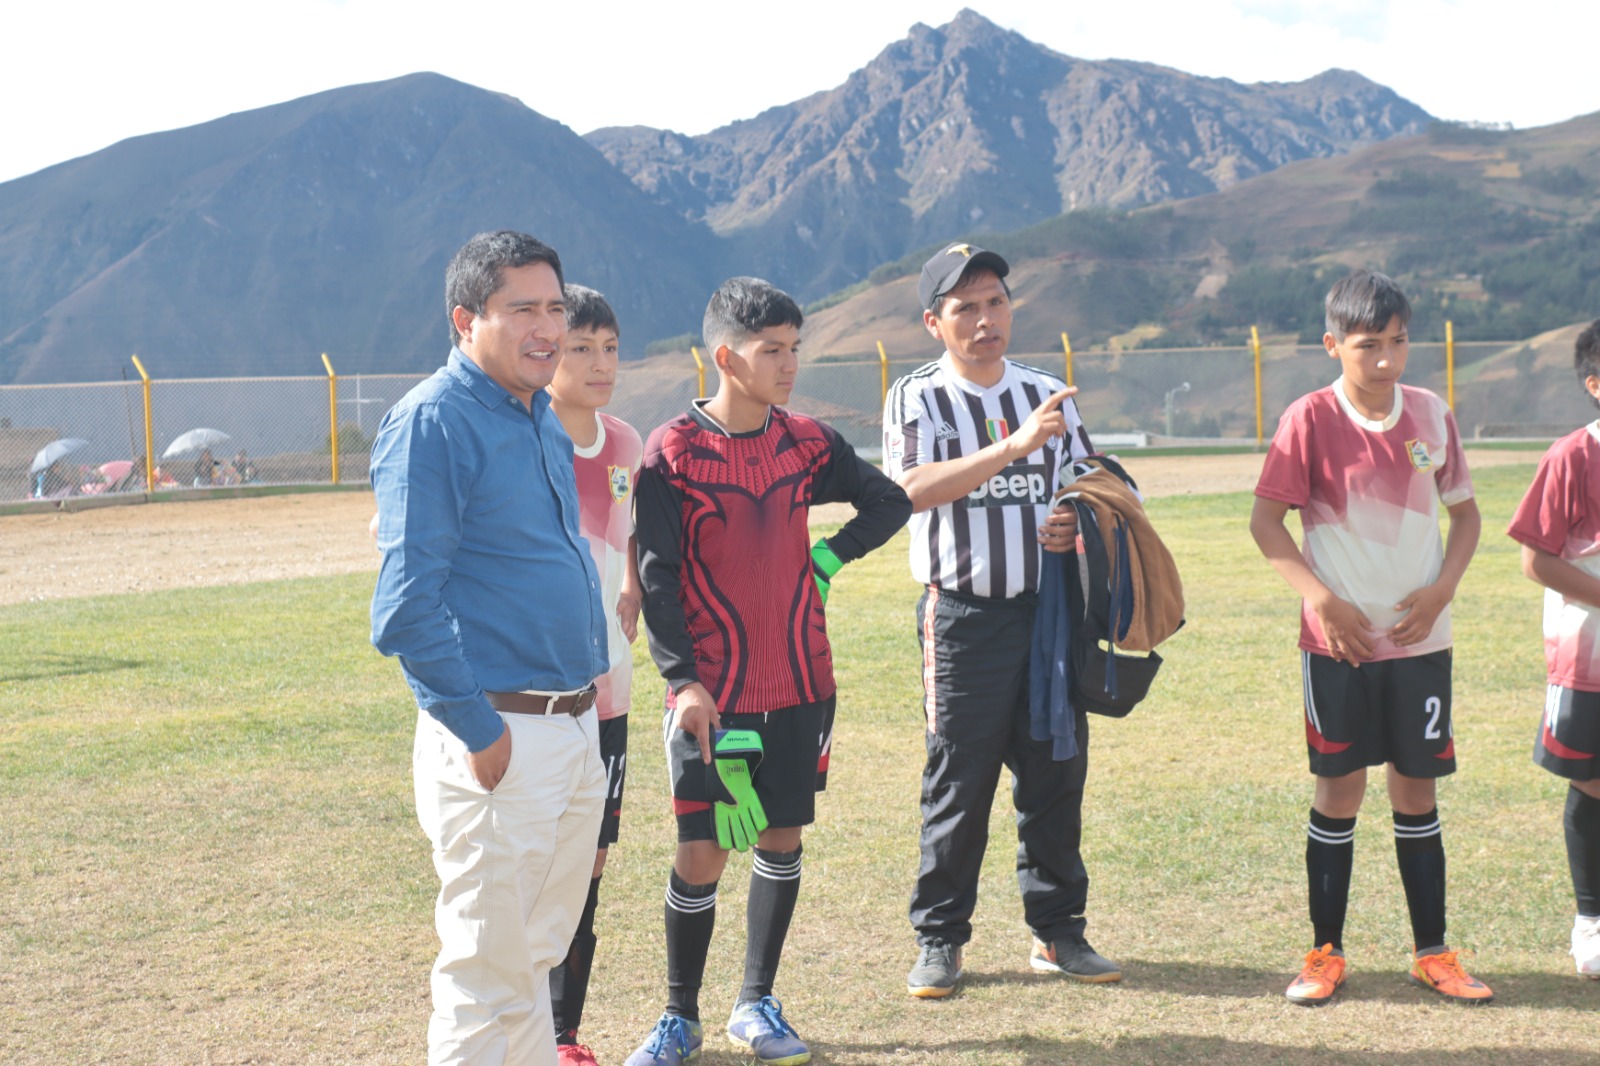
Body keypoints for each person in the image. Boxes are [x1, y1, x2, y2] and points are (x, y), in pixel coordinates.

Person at [626, 277, 910, 1066]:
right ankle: (678, 1017)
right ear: (726, 357)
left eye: (794, 349)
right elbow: (656, 575)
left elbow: (888, 502)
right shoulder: (672, 453)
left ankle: (756, 1003)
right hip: (714, 693)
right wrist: (683, 682)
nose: (788, 364)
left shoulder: (807, 443)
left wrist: (828, 555)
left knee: (780, 838)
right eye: (771, 351)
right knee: (701, 851)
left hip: (801, 681)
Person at [370, 230, 610, 1065]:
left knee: (530, 963)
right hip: (501, 736)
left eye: (555, 306)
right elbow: (405, 608)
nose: (547, 327)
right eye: (522, 310)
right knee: (482, 975)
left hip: (571, 725)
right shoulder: (433, 421)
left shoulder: (538, 414)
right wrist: (479, 730)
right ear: (467, 319)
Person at [1250, 269, 1491, 1006]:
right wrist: (1323, 600)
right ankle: (1324, 954)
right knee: (1339, 790)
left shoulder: (1430, 414)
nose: (1386, 361)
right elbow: (1266, 523)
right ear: (1333, 346)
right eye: (1367, 347)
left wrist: (1442, 591)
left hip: (1421, 641)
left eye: (1397, 342)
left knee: (1416, 793)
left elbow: (1467, 516)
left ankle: (1433, 953)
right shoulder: (1308, 420)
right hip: (1340, 647)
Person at [882, 242, 1110, 1000]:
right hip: (963, 617)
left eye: (996, 302)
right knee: (960, 776)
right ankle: (939, 939)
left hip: (1047, 613)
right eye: (966, 308)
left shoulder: (1048, 390)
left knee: (1055, 770)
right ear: (933, 323)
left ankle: (1059, 931)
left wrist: (1073, 518)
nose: (985, 320)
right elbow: (910, 491)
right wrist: (1012, 447)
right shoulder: (918, 397)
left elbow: (1093, 483)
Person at [544, 285, 646, 1065]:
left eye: (609, 348)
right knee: (531, 860)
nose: (599, 363)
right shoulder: (521, 436)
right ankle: (519, 1030)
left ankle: (563, 1036)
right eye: (582, 347)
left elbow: (628, 549)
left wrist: (636, 587)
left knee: (590, 863)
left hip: (609, 694)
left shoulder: (626, 446)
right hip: (537, 697)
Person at [1506, 318, 1600, 980]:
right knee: (1592, 782)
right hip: (1589, 655)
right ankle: (1591, 922)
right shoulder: (1574, 456)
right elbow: (1536, 560)